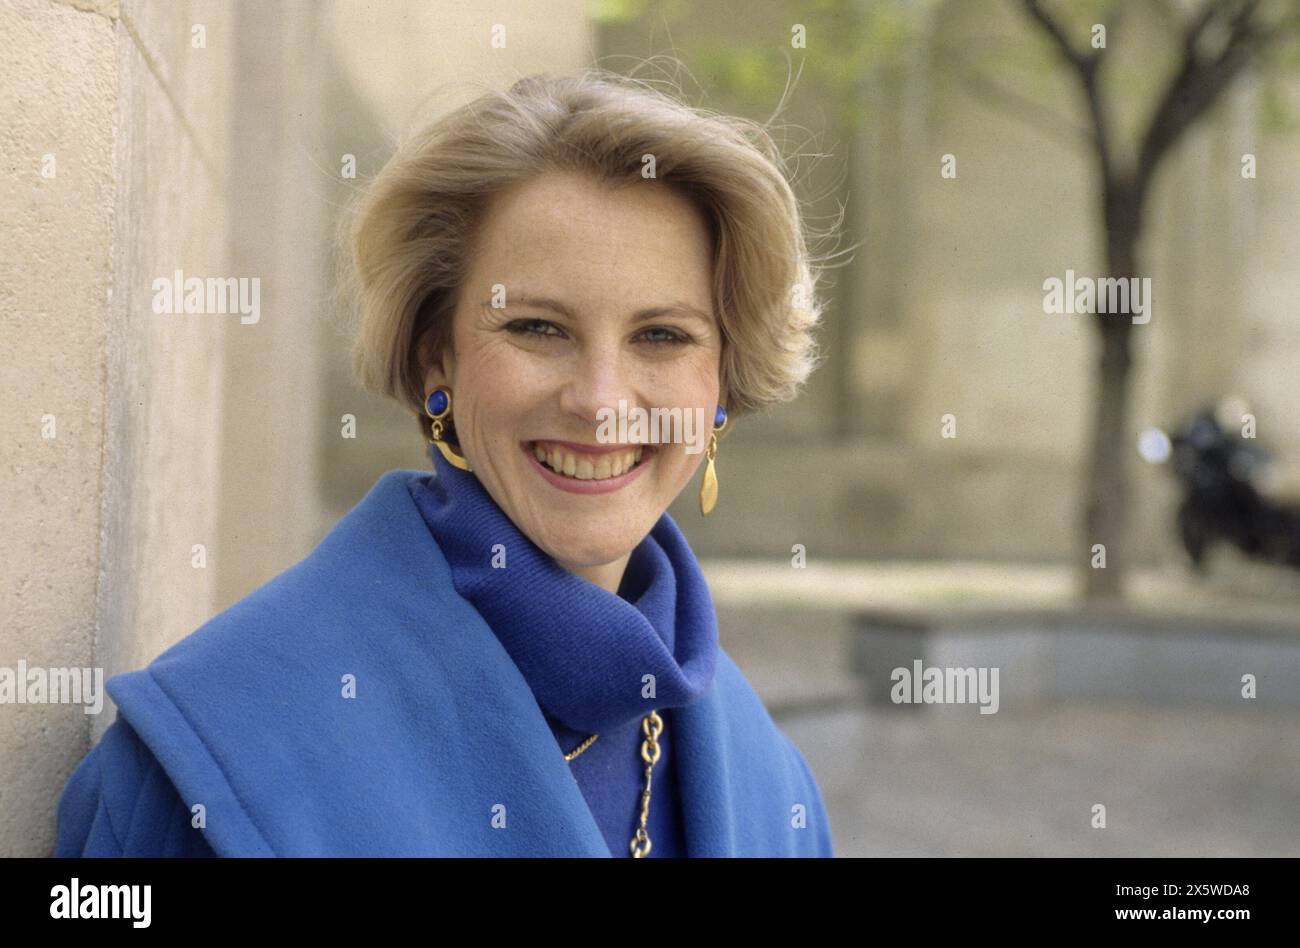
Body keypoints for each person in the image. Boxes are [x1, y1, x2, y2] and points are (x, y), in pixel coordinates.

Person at [55, 70, 833, 857]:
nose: (602, 403)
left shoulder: (777, 787)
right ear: (438, 362)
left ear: (723, 387)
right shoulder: (201, 761)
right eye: (536, 327)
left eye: (662, 335)